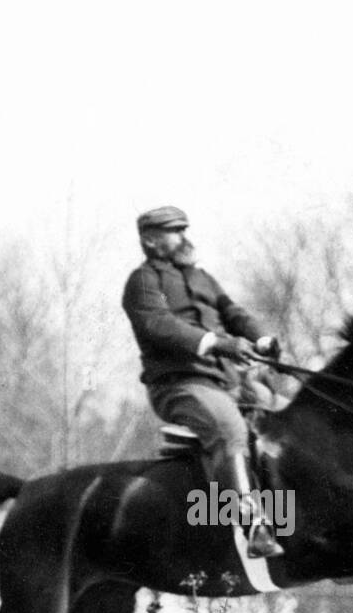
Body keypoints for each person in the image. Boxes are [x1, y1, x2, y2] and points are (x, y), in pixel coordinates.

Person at [122, 205, 285, 558]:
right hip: (180, 385)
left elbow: (233, 312)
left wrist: (261, 339)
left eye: (184, 229)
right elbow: (159, 325)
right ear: (150, 241)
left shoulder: (203, 278)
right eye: (174, 231)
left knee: (292, 418)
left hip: (227, 380)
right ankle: (253, 527)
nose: (184, 237)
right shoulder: (143, 282)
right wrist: (217, 343)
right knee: (229, 430)